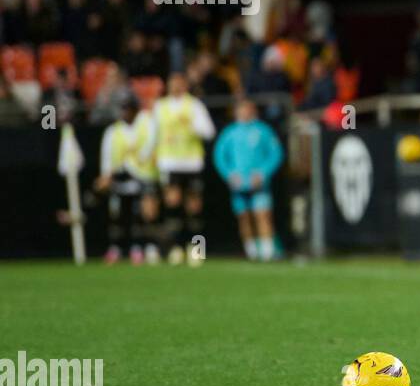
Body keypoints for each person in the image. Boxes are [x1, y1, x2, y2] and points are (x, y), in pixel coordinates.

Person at [153, 71, 216, 266]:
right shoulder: (160, 106)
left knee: (194, 207)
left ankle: (197, 249)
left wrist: (192, 125)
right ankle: (176, 249)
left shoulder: (194, 106)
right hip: (170, 162)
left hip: (192, 162)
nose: (176, 86)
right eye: (172, 83)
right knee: (173, 204)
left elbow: (209, 131)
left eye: (179, 83)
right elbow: (153, 134)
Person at [214, 97, 284, 261]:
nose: (244, 112)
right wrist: (229, 174)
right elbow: (220, 156)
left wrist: (263, 173)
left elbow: (276, 154)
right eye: (241, 109)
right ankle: (251, 251)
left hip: (259, 183)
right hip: (239, 184)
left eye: (247, 109)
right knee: (244, 217)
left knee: (262, 215)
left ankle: (268, 252)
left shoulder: (263, 130)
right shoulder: (230, 132)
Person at [95, 97, 158, 264]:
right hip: (119, 178)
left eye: (128, 109)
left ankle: (140, 247)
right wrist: (106, 175)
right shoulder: (112, 131)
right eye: (123, 109)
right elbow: (107, 157)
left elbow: (149, 147)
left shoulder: (145, 124)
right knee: (117, 214)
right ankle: (115, 248)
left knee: (141, 213)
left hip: (142, 176)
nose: (125, 113)